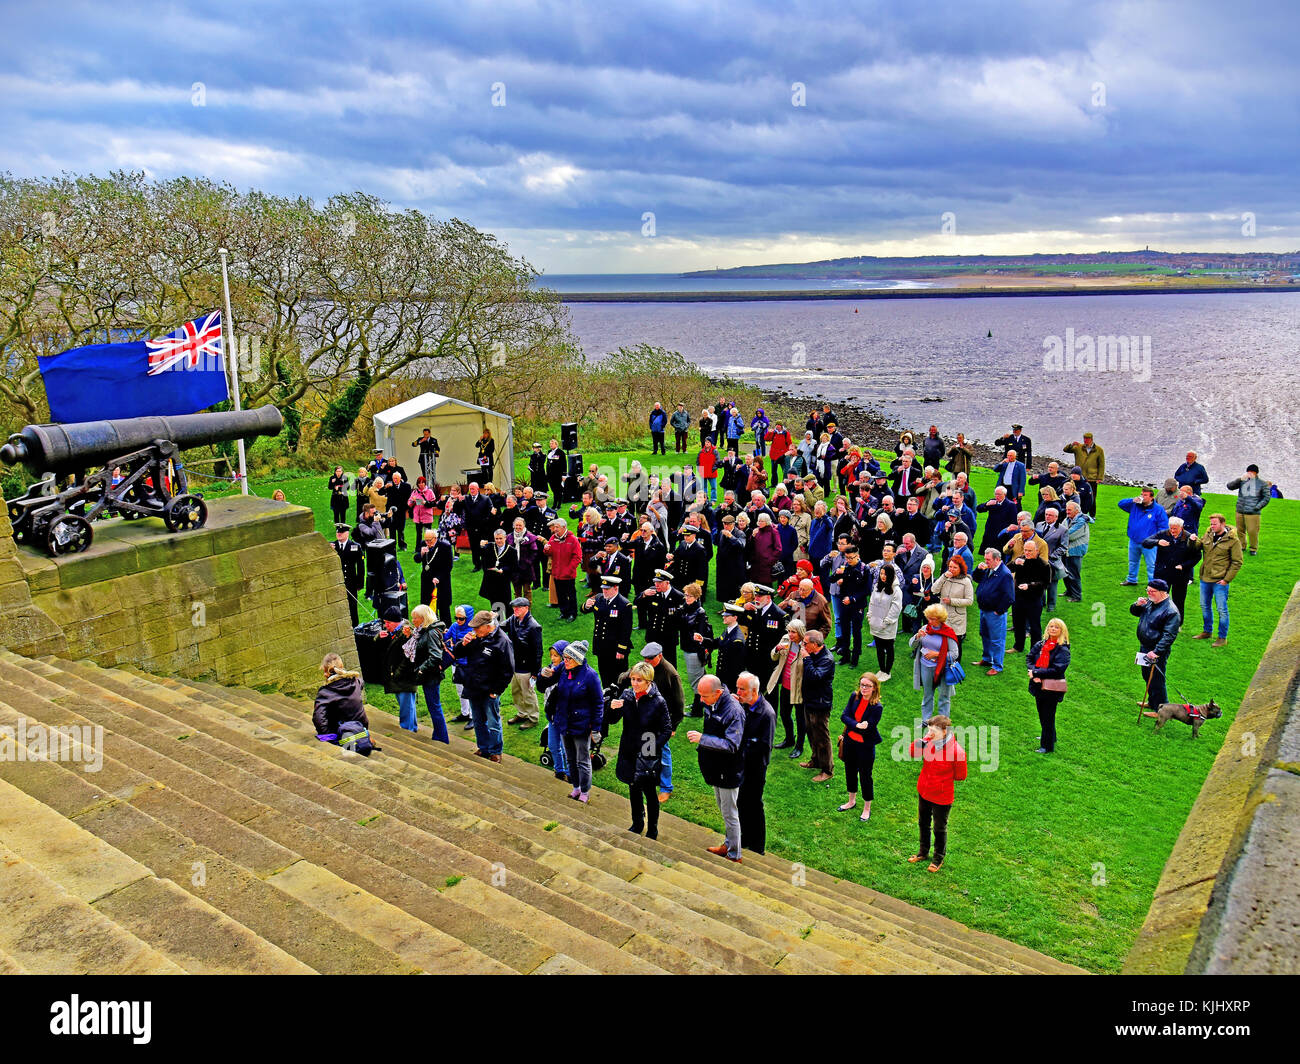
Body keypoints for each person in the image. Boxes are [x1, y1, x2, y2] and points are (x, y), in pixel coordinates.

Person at [611, 662, 672, 838]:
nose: (635, 683)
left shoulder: (658, 701)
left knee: (650, 792)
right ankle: (637, 822)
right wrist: (612, 708)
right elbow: (613, 720)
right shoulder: (627, 695)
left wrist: (651, 747)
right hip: (629, 749)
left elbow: (667, 729)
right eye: (633, 679)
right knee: (633, 788)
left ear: (648, 681)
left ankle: (653, 828)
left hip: (647, 752)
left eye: (639, 680)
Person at [536, 640, 603, 802]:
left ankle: (585, 791)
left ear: (578, 659)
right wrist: (543, 675)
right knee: (570, 758)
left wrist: (595, 728)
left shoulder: (591, 676)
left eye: (568, 658)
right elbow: (544, 684)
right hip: (564, 723)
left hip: (581, 726)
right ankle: (576, 787)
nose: (563, 661)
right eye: (564, 657)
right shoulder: (563, 669)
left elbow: (598, 703)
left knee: (583, 759)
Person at [689, 675, 746, 862]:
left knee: (730, 813)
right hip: (715, 767)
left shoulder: (734, 712)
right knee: (723, 809)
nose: (701, 700)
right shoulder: (714, 703)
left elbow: (732, 745)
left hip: (728, 770)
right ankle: (729, 844)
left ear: (718, 693)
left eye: (704, 696)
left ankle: (734, 854)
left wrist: (702, 739)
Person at [906, 716, 967, 873]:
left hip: (941, 796)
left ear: (944, 731)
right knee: (923, 823)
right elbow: (912, 753)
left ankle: (938, 858)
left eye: (933, 731)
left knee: (939, 828)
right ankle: (923, 852)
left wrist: (941, 780)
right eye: (929, 729)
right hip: (924, 790)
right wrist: (921, 741)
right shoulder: (928, 742)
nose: (930, 733)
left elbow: (961, 776)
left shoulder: (957, 751)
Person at [459, 609, 514, 761]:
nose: (474, 630)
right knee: (478, 721)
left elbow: (508, 670)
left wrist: (496, 691)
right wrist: (463, 644)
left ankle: (496, 751)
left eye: (477, 628)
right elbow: (458, 653)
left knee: (493, 722)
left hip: (489, 691)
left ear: (488, 626)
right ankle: (483, 748)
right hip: (474, 688)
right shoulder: (476, 637)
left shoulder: (503, 641)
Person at [734, 672, 776, 854]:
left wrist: (740, 749)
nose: (738, 692)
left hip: (755, 768)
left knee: (754, 804)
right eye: (737, 688)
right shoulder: (743, 706)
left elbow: (764, 747)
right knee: (741, 802)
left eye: (742, 689)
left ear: (754, 691)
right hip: (741, 765)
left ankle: (758, 846)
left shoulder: (766, 714)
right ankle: (745, 838)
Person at [838, 672, 884, 820]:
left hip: (865, 746)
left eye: (867, 686)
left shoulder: (877, 707)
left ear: (874, 688)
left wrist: (854, 724)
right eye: (862, 685)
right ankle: (851, 801)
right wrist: (857, 724)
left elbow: (869, 728)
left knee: (865, 776)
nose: (863, 688)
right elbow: (843, 716)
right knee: (850, 771)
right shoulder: (854, 696)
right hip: (850, 742)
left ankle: (866, 808)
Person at [1131, 579, 1181, 711]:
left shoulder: (1171, 611)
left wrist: (1157, 651)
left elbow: (1169, 635)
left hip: (1156, 650)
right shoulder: (1150, 602)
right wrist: (1137, 605)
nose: (1148, 593)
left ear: (1163, 592)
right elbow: (1135, 612)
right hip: (1145, 647)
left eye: (1152, 591)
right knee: (1147, 676)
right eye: (1147, 590)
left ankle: (1161, 709)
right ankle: (1153, 701)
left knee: (1157, 680)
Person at [1194, 513, 1243, 647]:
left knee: (1222, 609)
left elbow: (1237, 562)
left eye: (1214, 524)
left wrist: (1226, 580)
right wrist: (1193, 540)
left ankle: (1222, 637)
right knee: (1205, 606)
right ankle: (1207, 631)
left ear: (1222, 524)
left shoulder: (1233, 541)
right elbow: (1199, 547)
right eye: (1211, 524)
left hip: (1220, 581)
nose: (1212, 526)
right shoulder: (1209, 534)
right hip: (1205, 577)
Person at [313, 654, 378, 754]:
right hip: (362, 727)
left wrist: (327, 735)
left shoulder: (325, 692)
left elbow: (318, 718)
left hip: (343, 731)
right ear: (342, 667)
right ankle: (364, 737)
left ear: (325, 673)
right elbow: (361, 682)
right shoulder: (356, 682)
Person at [909, 603, 959, 724]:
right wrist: (917, 636)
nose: (930, 621)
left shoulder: (948, 632)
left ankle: (943, 723)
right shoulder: (925, 628)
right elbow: (911, 645)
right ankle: (926, 720)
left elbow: (954, 654)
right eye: (929, 618)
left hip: (943, 669)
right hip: (925, 667)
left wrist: (936, 654)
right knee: (927, 695)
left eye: (933, 619)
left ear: (941, 619)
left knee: (944, 697)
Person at [1028, 617, 1070, 754]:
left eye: (1056, 627)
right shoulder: (1041, 644)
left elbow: (1058, 669)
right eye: (1051, 626)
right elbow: (1029, 657)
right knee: (1042, 713)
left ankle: (1047, 746)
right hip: (1038, 685)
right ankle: (1050, 736)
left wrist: (1036, 672)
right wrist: (1033, 671)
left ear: (1061, 631)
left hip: (1052, 688)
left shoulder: (1062, 650)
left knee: (1048, 715)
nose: (1053, 629)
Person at [582, 575, 633, 686]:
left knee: (619, 679)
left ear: (616, 588)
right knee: (604, 675)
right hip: (601, 646)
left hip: (615, 649)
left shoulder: (624, 605)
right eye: (603, 588)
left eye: (607, 589)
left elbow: (626, 630)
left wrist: (621, 649)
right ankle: (607, 699)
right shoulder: (599, 598)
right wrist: (586, 605)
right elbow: (584, 610)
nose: (604, 591)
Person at [1143, 516, 1198, 619]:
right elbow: (1146, 542)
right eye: (1171, 528)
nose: (1172, 531)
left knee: (1179, 600)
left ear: (1181, 527)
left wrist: (1184, 566)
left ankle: (1178, 624)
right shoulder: (1163, 534)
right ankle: (1157, 620)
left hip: (1180, 575)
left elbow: (1197, 557)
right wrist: (1157, 542)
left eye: (1175, 529)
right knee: (1159, 599)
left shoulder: (1189, 538)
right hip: (1162, 573)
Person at [799, 630, 836, 782]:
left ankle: (827, 770)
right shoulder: (814, 654)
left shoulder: (827, 659)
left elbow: (815, 676)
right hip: (810, 700)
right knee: (811, 733)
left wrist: (807, 659)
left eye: (805, 643)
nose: (803, 646)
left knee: (822, 737)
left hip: (820, 704)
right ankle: (815, 760)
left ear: (814, 644)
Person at [766, 619, 805, 754]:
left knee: (801, 718)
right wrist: (777, 649)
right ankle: (789, 739)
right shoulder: (785, 639)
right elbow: (773, 657)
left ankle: (799, 746)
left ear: (800, 632)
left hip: (799, 687)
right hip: (786, 685)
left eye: (793, 632)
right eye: (789, 631)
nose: (790, 634)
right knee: (784, 714)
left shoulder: (805, 646)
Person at [973, 548, 1014, 675]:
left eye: (988, 560)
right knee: (984, 635)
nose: (986, 562)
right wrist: (978, 570)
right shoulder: (988, 569)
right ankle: (987, 659)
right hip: (984, 610)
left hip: (995, 613)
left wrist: (999, 611)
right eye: (985, 559)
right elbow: (976, 578)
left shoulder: (1005, 574)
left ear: (997, 559)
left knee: (997, 640)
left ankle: (997, 666)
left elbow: (1009, 596)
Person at [504, 597, 543, 729]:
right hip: (514, 663)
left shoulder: (534, 626)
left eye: (518, 607)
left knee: (528, 693)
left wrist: (535, 672)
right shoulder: (513, 619)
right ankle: (522, 713)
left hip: (526, 666)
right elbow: (501, 626)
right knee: (516, 691)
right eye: (514, 607)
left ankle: (533, 717)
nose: (515, 610)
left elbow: (538, 651)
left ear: (526, 608)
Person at [1118, 486, 1168, 586]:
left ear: (1151, 498)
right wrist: (1132, 500)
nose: (1142, 497)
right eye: (1141, 494)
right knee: (1132, 562)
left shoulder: (1158, 509)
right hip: (1134, 540)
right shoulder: (1134, 505)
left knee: (1151, 565)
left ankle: (1152, 584)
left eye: (1145, 495)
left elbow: (1163, 527)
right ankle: (1132, 579)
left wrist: (1156, 540)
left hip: (1149, 543)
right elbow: (1120, 504)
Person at [1009, 538, 1050, 654]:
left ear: (1036, 551)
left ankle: (1035, 650)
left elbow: (1045, 583)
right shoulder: (1021, 560)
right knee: (1018, 623)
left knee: (1035, 626)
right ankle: (1018, 646)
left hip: (1034, 599)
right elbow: (1007, 569)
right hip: (1019, 598)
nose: (1027, 553)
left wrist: (1030, 586)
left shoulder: (1043, 565)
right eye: (1025, 550)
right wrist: (1014, 563)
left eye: (1030, 551)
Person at [867, 562, 904, 681]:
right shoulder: (877, 586)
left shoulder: (896, 590)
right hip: (875, 623)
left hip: (888, 625)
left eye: (886, 574)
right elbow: (872, 602)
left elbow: (896, 608)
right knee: (878, 648)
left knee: (888, 648)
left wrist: (886, 622)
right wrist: (870, 616)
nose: (883, 576)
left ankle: (887, 672)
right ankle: (881, 669)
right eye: (881, 574)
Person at [930, 557, 973, 658]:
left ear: (960, 568)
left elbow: (969, 601)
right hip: (943, 616)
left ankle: (955, 668)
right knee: (941, 642)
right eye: (950, 567)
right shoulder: (945, 577)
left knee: (955, 644)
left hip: (956, 618)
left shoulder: (966, 581)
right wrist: (943, 577)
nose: (951, 569)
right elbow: (934, 589)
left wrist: (952, 601)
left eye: (955, 567)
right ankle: (942, 664)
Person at [539, 641, 570, 779]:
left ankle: (569, 773)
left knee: (566, 747)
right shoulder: (549, 669)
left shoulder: (568, 672)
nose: (552, 658)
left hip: (564, 717)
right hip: (551, 716)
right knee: (552, 745)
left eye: (556, 655)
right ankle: (559, 770)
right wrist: (542, 676)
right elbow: (540, 688)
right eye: (551, 655)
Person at [1226, 464, 1272, 556]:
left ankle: (1253, 548)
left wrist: (1257, 507)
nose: (1249, 473)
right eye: (1248, 472)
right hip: (1240, 510)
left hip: (1253, 512)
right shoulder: (1243, 481)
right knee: (1240, 530)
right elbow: (1229, 486)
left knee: (1252, 531)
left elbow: (1266, 498)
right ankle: (1242, 546)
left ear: (1256, 473)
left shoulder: (1262, 484)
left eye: (1252, 472)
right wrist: (1239, 479)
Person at [544, 517, 582, 621]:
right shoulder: (553, 538)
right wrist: (546, 550)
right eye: (554, 527)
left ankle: (572, 614)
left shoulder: (573, 540)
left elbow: (577, 557)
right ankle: (564, 612)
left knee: (571, 595)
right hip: (556, 573)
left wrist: (568, 570)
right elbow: (549, 553)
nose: (555, 529)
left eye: (557, 527)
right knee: (560, 595)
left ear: (564, 527)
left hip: (568, 575)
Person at [415, 527, 454, 623]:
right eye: (426, 540)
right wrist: (421, 553)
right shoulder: (423, 544)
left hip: (441, 582)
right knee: (428, 608)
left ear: (435, 538)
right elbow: (416, 559)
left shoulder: (445, 546)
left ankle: (447, 631)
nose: (427, 542)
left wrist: (438, 577)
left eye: (429, 540)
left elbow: (448, 566)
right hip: (427, 581)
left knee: (443, 608)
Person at [332, 523, 366, 627]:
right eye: (338, 532)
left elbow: (360, 567)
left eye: (341, 532)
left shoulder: (355, 546)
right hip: (336, 582)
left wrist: (360, 583)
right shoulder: (331, 546)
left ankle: (355, 627)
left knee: (352, 607)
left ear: (347, 533)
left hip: (351, 583)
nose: (339, 534)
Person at [1062, 433, 1103, 517]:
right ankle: (1075, 513)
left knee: (1092, 497)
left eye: (1087, 439)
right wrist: (1071, 444)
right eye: (1084, 439)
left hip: (1092, 478)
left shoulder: (1099, 450)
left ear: (1091, 439)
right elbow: (1065, 450)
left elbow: (1101, 464)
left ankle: (1092, 515)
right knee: (1075, 495)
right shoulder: (1078, 447)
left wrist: (1099, 477)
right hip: (1079, 477)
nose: (1085, 441)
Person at [1062, 500, 1091, 602]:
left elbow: (1069, 535)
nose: (1067, 512)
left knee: (1074, 574)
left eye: (1069, 510)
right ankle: (1069, 591)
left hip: (1075, 551)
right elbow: (1062, 531)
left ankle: (1077, 596)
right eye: (1066, 509)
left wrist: (1060, 534)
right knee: (1065, 573)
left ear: (1077, 511)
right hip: (1066, 551)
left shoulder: (1081, 522)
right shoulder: (1067, 519)